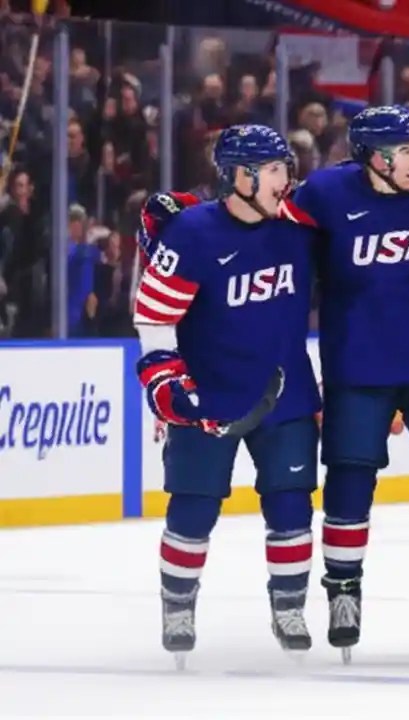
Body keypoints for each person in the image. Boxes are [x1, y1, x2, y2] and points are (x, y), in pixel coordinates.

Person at [288, 105, 409, 661]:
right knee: (350, 481)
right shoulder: (325, 194)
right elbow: (268, 232)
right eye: (407, 150)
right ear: (374, 157)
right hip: (357, 368)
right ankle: (343, 591)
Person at [133, 125, 321, 667]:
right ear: (242, 176)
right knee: (192, 509)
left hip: (284, 393)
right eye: (277, 170)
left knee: (291, 506)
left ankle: (288, 607)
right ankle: (178, 606)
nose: (288, 180)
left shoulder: (298, 228)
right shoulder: (192, 234)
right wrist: (169, 386)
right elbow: (154, 317)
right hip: (208, 396)